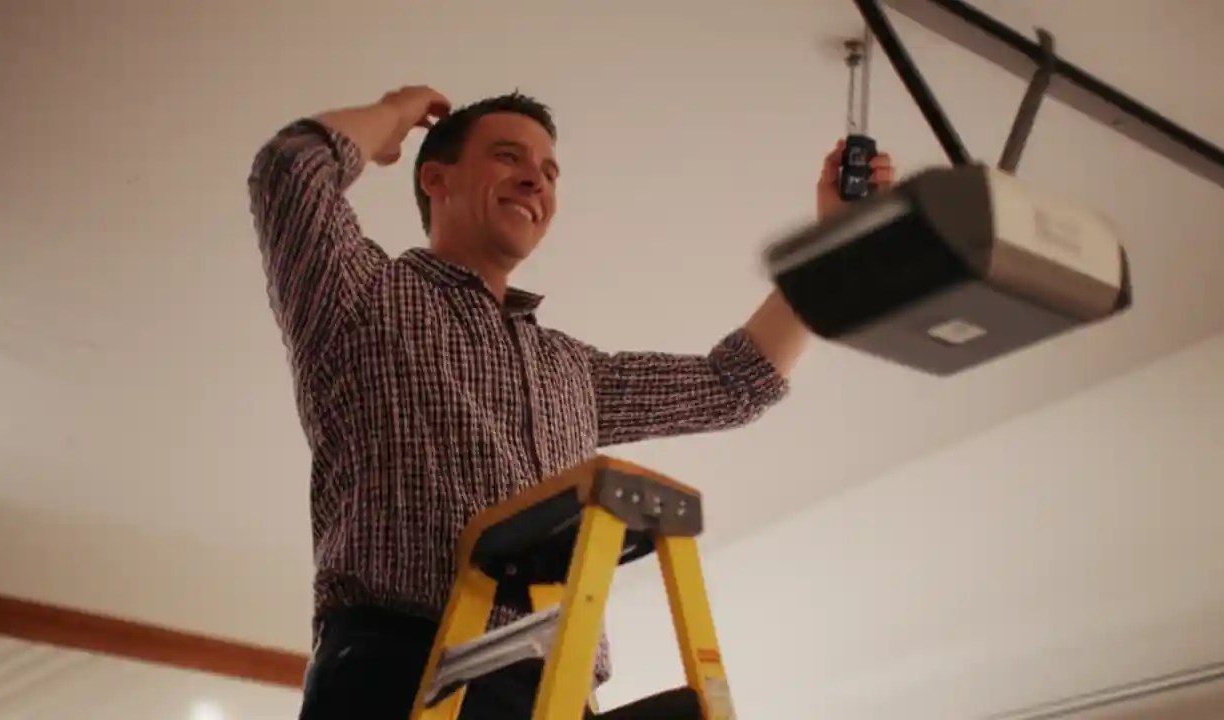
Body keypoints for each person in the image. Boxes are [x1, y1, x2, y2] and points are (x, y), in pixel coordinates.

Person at [247, 84, 895, 719]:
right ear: (435, 179)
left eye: (549, 171)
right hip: (397, 667)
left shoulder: (571, 368)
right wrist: (393, 113)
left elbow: (737, 382)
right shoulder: (363, 299)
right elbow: (290, 168)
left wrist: (835, 245)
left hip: (553, 689)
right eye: (508, 156)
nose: (536, 180)